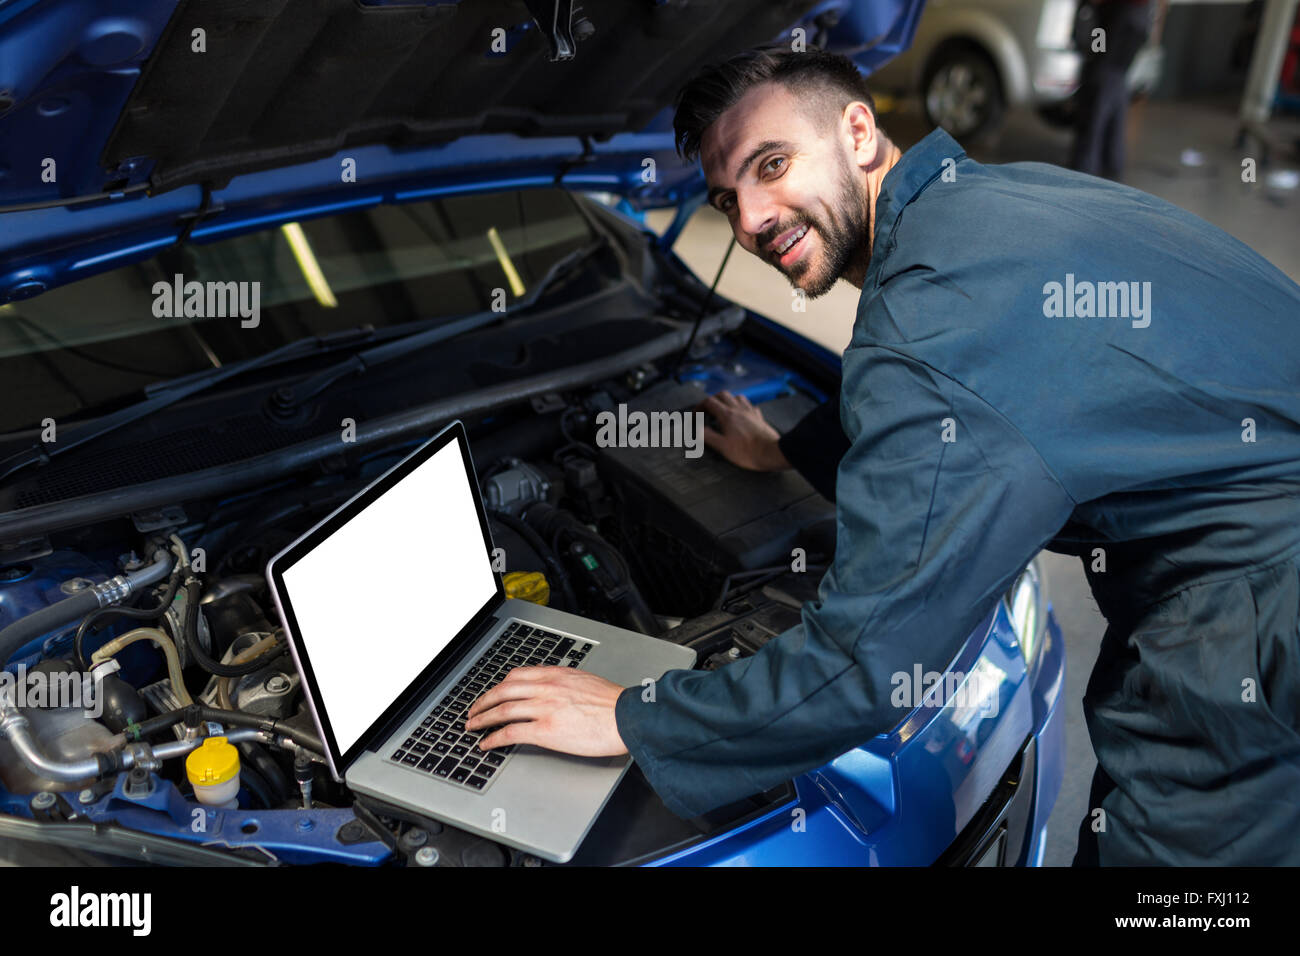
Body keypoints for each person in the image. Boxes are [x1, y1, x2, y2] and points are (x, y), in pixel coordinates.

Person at [465, 46, 1300, 865]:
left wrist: (631, 717)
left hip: (1253, 610)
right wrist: (792, 449)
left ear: (858, 132)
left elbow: (867, 662)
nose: (751, 220)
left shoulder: (926, 332)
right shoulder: (990, 200)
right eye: (726, 199)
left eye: (773, 163)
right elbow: (1007, 387)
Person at [1069, 0, 1154, 178]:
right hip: (1121, 62)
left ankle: (1084, 169)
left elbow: (1100, 41)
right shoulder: (1141, 10)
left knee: (1094, 117)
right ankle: (1112, 165)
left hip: (1107, 61)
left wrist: (1093, 57)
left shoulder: (1116, 11)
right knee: (1115, 111)